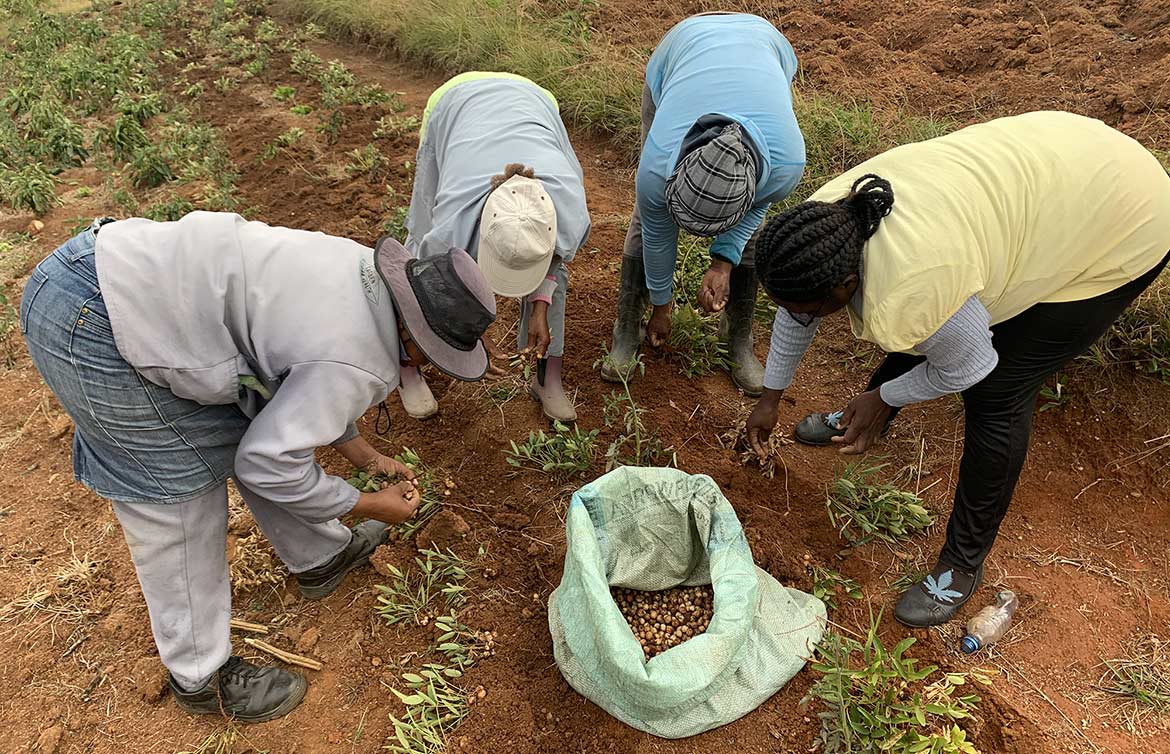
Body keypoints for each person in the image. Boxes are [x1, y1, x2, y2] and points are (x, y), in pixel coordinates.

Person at [19, 212, 497, 721]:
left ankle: (320, 556)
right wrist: (364, 503)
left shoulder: (361, 272)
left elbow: (292, 373)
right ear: (417, 338)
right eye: (428, 356)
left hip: (111, 270)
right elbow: (271, 459)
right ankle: (201, 676)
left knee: (262, 433)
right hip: (96, 318)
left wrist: (364, 455)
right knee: (177, 496)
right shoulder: (359, 358)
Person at [745, 111, 1170, 627]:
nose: (800, 316)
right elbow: (804, 308)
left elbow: (969, 363)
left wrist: (886, 396)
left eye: (813, 307)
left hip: (1124, 219)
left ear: (843, 286)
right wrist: (771, 393)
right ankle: (864, 419)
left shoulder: (913, 285)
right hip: (1055, 168)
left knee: (998, 393)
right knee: (930, 319)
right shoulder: (819, 225)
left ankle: (961, 565)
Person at [600, 12, 806, 396]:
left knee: (753, 235)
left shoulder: (785, 163)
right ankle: (627, 328)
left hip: (763, 47)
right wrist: (662, 306)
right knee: (647, 222)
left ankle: (737, 341)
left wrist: (723, 262)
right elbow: (659, 238)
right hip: (683, 49)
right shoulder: (657, 168)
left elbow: (754, 211)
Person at [397, 71, 592, 423]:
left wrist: (540, 307)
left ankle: (548, 376)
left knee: (553, 279)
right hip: (454, 104)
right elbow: (430, 282)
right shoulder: (449, 228)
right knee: (415, 264)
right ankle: (406, 367)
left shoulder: (569, 211)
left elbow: (554, 259)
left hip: (533, 99)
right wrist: (472, 335)